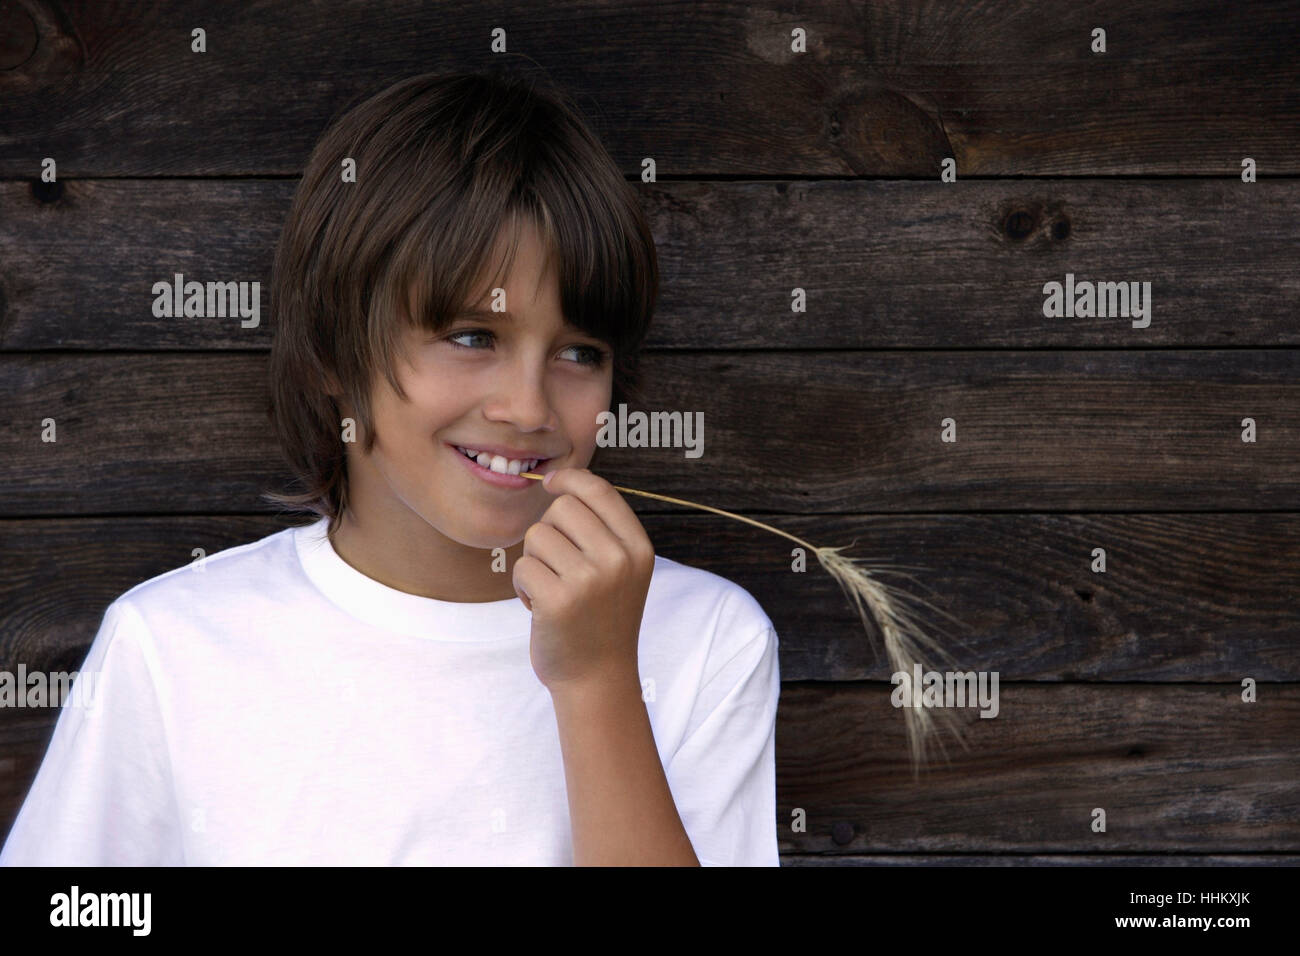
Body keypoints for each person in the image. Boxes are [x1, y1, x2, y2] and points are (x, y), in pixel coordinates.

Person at [0, 69, 780, 866]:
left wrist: (598, 681)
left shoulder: (704, 641)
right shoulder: (169, 647)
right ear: (335, 352)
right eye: (474, 336)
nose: (529, 407)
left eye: (580, 353)